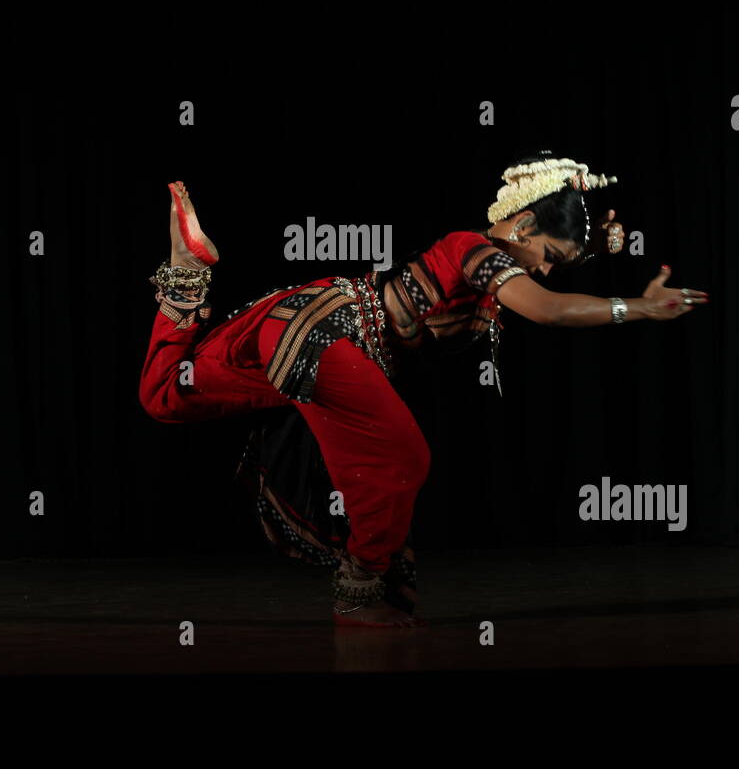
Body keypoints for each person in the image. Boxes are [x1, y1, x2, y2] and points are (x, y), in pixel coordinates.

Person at [138, 154, 709, 627]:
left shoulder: (496, 264)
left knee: (165, 395)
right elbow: (552, 312)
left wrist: (602, 239)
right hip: (326, 334)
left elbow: (555, 282)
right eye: (550, 257)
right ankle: (359, 586)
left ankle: (186, 269)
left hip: (305, 328)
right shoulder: (476, 249)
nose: (546, 272)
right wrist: (638, 308)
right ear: (524, 228)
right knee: (402, 455)